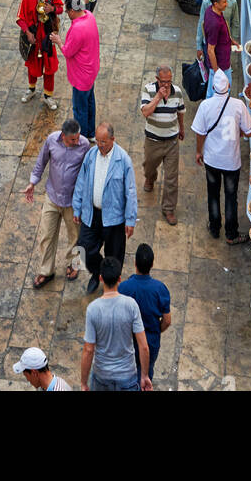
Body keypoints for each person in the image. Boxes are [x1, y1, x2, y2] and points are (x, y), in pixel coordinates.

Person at [192, 70, 251, 244]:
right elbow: (250, 131)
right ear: (228, 87)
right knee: (230, 196)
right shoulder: (238, 105)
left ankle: (214, 227)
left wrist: (199, 151)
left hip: (212, 159)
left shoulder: (205, 106)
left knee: (213, 193)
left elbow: (199, 132)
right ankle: (231, 234)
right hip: (231, 161)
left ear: (213, 87)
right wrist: (239, 132)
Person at [72, 123, 137, 290]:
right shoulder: (91, 155)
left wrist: (130, 219)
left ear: (113, 140)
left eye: (103, 142)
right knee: (84, 249)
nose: (99, 145)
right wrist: (77, 207)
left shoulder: (123, 160)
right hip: (92, 214)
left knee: (114, 255)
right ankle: (98, 271)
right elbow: (81, 181)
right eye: (98, 141)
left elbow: (131, 191)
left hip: (114, 218)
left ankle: (111, 284)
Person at [81, 256, 152, 391]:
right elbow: (143, 347)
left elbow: (88, 350)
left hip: (102, 375)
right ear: (119, 278)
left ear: (101, 278)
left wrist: (84, 383)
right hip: (127, 375)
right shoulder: (131, 305)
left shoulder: (93, 309)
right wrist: (144, 375)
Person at [118, 244, 171, 382]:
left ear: (135, 263)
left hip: (128, 341)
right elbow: (167, 320)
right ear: (152, 264)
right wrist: (156, 331)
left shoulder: (123, 288)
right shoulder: (160, 289)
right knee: (146, 372)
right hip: (150, 340)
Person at [51, 0, 100, 140]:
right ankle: (91, 133)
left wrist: (58, 41)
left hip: (81, 76)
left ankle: (82, 138)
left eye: (67, 11)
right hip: (91, 70)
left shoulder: (78, 28)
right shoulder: (90, 16)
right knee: (90, 102)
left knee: (80, 109)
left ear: (72, 11)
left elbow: (67, 51)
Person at [140, 65, 184, 226]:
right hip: (153, 141)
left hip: (171, 141)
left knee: (172, 177)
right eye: (163, 82)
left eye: (169, 81)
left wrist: (182, 129)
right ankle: (150, 178)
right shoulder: (148, 90)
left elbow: (180, 111)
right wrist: (158, 97)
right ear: (157, 80)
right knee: (149, 167)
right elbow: (145, 112)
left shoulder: (177, 91)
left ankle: (169, 208)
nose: (166, 85)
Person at [17, 0, 63, 109]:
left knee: (49, 65)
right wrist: (28, 33)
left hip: (48, 35)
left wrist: (53, 8)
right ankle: (31, 89)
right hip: (33, 35)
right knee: (32, 64)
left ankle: (48, 96)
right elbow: (20, 18)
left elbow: (61, 8)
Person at [203, 0, 240, 96]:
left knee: (213, 89)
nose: (226, 4)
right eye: (224, 2)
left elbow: (222, 30)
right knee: (221, 91)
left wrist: (230, 40)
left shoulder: (212, 10)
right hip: (221, 64)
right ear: (215, 3)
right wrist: (217, 71)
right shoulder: (215, 23)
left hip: (222, 61)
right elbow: (210, 50)